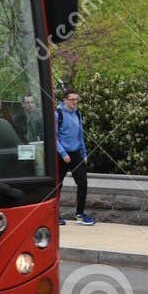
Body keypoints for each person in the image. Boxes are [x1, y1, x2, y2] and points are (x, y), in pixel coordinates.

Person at [55, 90, 93, 225]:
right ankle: (55, 215)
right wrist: (63, 153)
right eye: (72, 99)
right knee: (57, 185)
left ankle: (80, 214)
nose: (74, 102)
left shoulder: (77, 113)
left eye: (76, 99)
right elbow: (53, 136)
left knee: (83, 183)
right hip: (61, 154)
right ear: (65, 100)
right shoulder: (57, 114)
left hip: (76, 152)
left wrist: (84, 153)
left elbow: (80, 135)